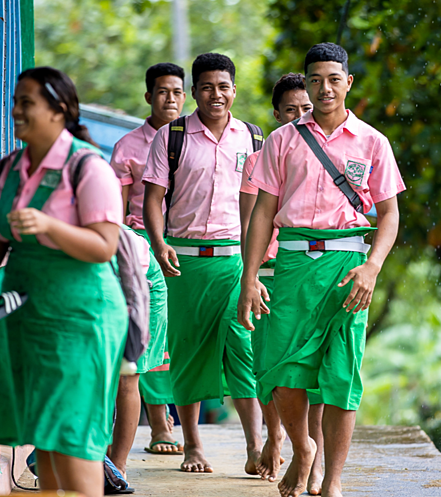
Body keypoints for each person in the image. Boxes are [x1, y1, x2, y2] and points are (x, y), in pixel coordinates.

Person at [238, 43, 405, 497]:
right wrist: (249, 277)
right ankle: (301, 446)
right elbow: (262, 212)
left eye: (334, 79)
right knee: (279, 373)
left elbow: (389, 214)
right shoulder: (283, 140)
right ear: (307, 84)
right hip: (291, 264)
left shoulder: (373, 142)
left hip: (350, 268)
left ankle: (331, 482)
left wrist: (372, 267)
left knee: (340, 377)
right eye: (315, 80)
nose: (325, 87)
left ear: (348, 82)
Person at [0, 66, 127, 497]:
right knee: (42, 431)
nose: (16, 111)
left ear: (58, 111)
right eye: (16, 102)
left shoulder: (88, 167)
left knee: (74, 434)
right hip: (28, 314)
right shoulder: (6, 170)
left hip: (82, 317)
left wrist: (48, 224)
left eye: (27, 102)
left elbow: (104, 245)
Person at [142, 53, 263, 474]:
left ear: (234, 90)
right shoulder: (171, 137)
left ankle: (256, 447)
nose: (217, 94)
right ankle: (193, 446)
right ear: (195, 92)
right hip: (184, 263)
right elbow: (153, 199)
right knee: (189, 353)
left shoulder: (250, 137)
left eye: (224, 86)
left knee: (243, 349)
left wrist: (256, 261)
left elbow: (257, 206)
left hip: (234, 264)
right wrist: (159, 243)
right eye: (208, 87)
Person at [238, 73, 326, 492]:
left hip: (314, 271)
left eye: (305, 108)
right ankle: (276, 437)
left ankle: (311, 454)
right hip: (272, 269)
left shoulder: (334, 147)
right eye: (290, 110)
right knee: (268, 365)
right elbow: (252, 220)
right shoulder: (264, 155)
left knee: (316, 365)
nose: (299, 115)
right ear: (276, 115)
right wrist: (250, 273)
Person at [107, 63, 187, 478]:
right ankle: (159, 422)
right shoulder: (127, 147)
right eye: (161, 92)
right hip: (140, 252)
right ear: (148, 97)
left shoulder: (193, 137)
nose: (170, 99)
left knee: (180, 338)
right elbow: (116, 211)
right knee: (148, 339)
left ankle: (181, 425)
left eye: (176, 92)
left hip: (190, 247)